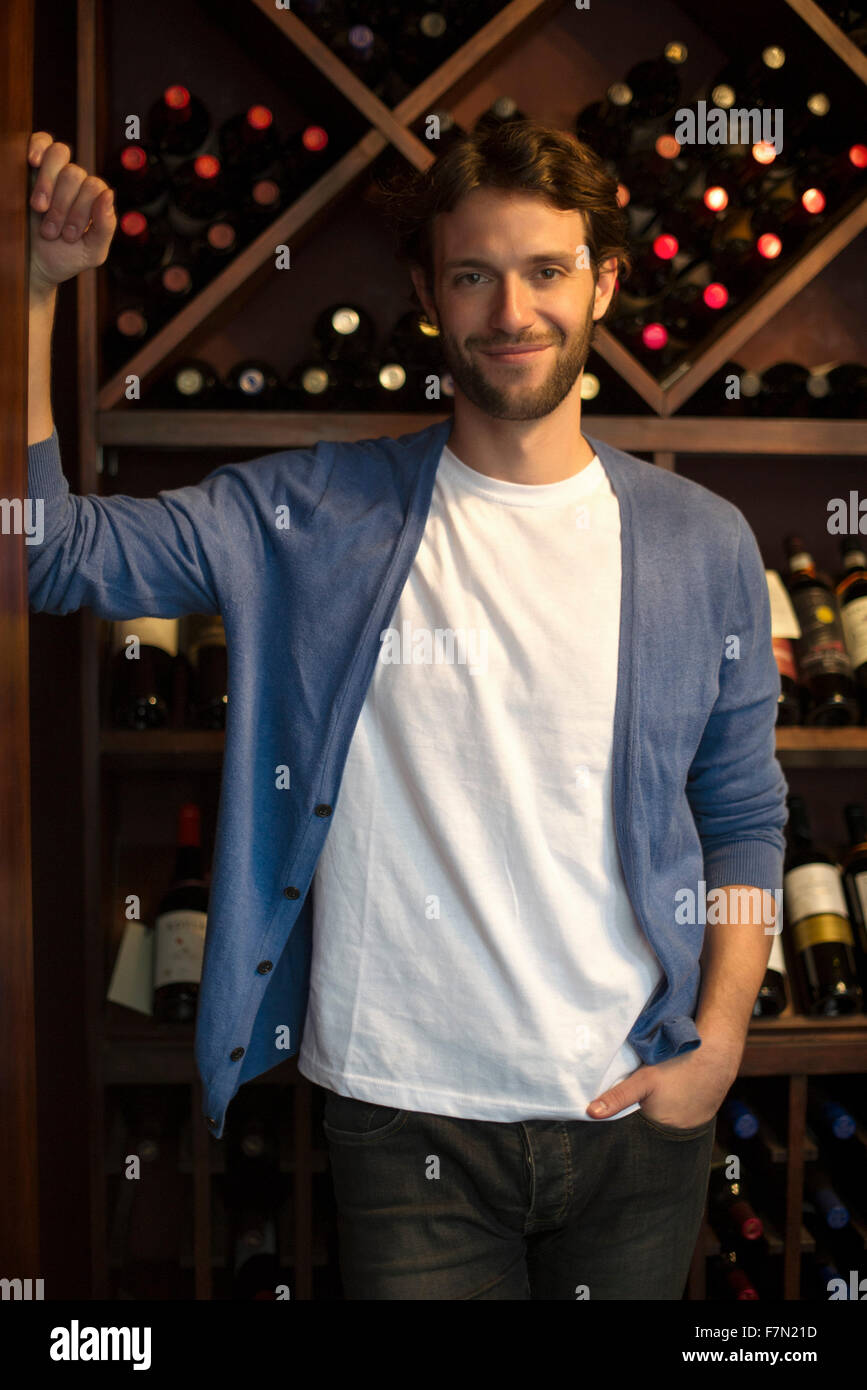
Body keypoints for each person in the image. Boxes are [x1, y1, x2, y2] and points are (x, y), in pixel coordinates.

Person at [26, 119, 788, 1300]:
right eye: (474, 274)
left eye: (548, 270)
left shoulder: (701, 544)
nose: (513, 310)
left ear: (605, 283)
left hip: (638, 1113)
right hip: (403, 1116)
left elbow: (743, 813)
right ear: (430, 296)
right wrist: (29, 297)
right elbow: (47, 555)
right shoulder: (317, 511)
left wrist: (725, 1040)